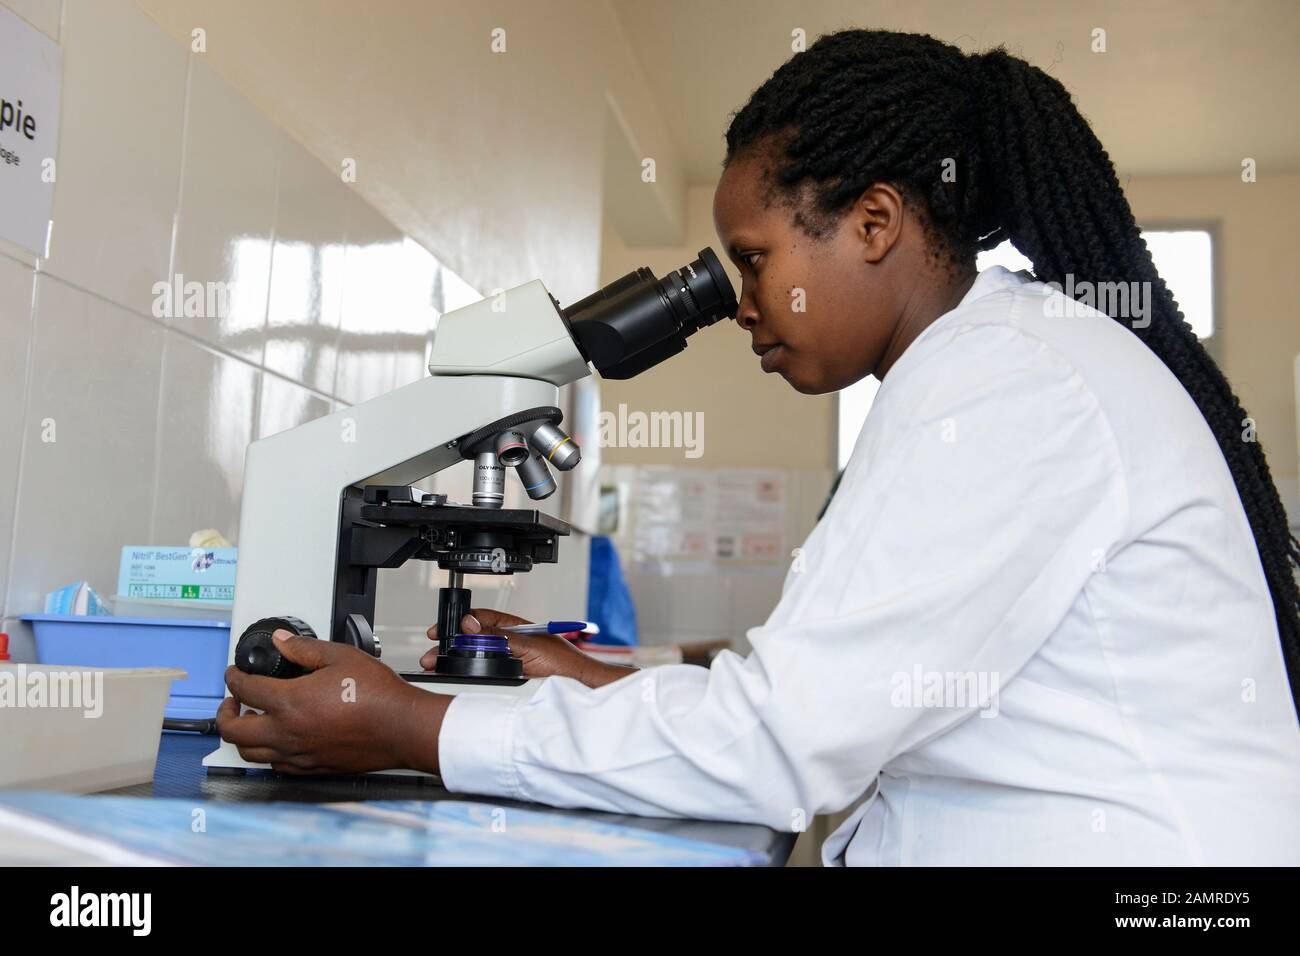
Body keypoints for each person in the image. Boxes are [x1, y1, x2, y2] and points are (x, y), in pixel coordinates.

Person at [218, 29, 1300, 865]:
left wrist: (413, 726)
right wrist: (594, 687)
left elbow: (780, 742)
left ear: (874, 223)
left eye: (752, 260)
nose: (739, 304)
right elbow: (823, 699)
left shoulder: (1009, 385)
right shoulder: (992, 363)